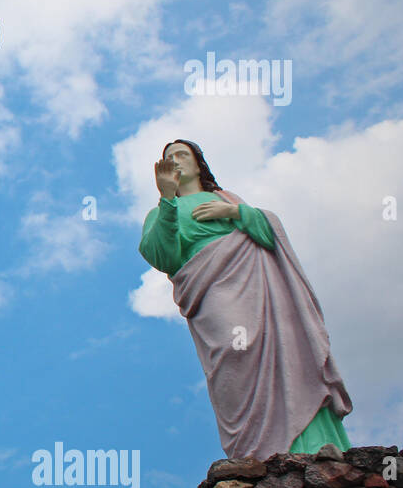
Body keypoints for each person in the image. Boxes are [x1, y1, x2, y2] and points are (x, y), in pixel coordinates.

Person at [139, 140, 352, 459]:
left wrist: (235, 212)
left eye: (183, 155)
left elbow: (269, 236)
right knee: (231, 350)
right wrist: (168, 198)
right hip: (208, 285)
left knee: (284, 350)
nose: (176, 161)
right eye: (169, 159)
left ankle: (307, 442)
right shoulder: (160, 211)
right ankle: (256, 449)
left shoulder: (226, 199)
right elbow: (165, 257)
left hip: (257, 282)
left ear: (199, 165)